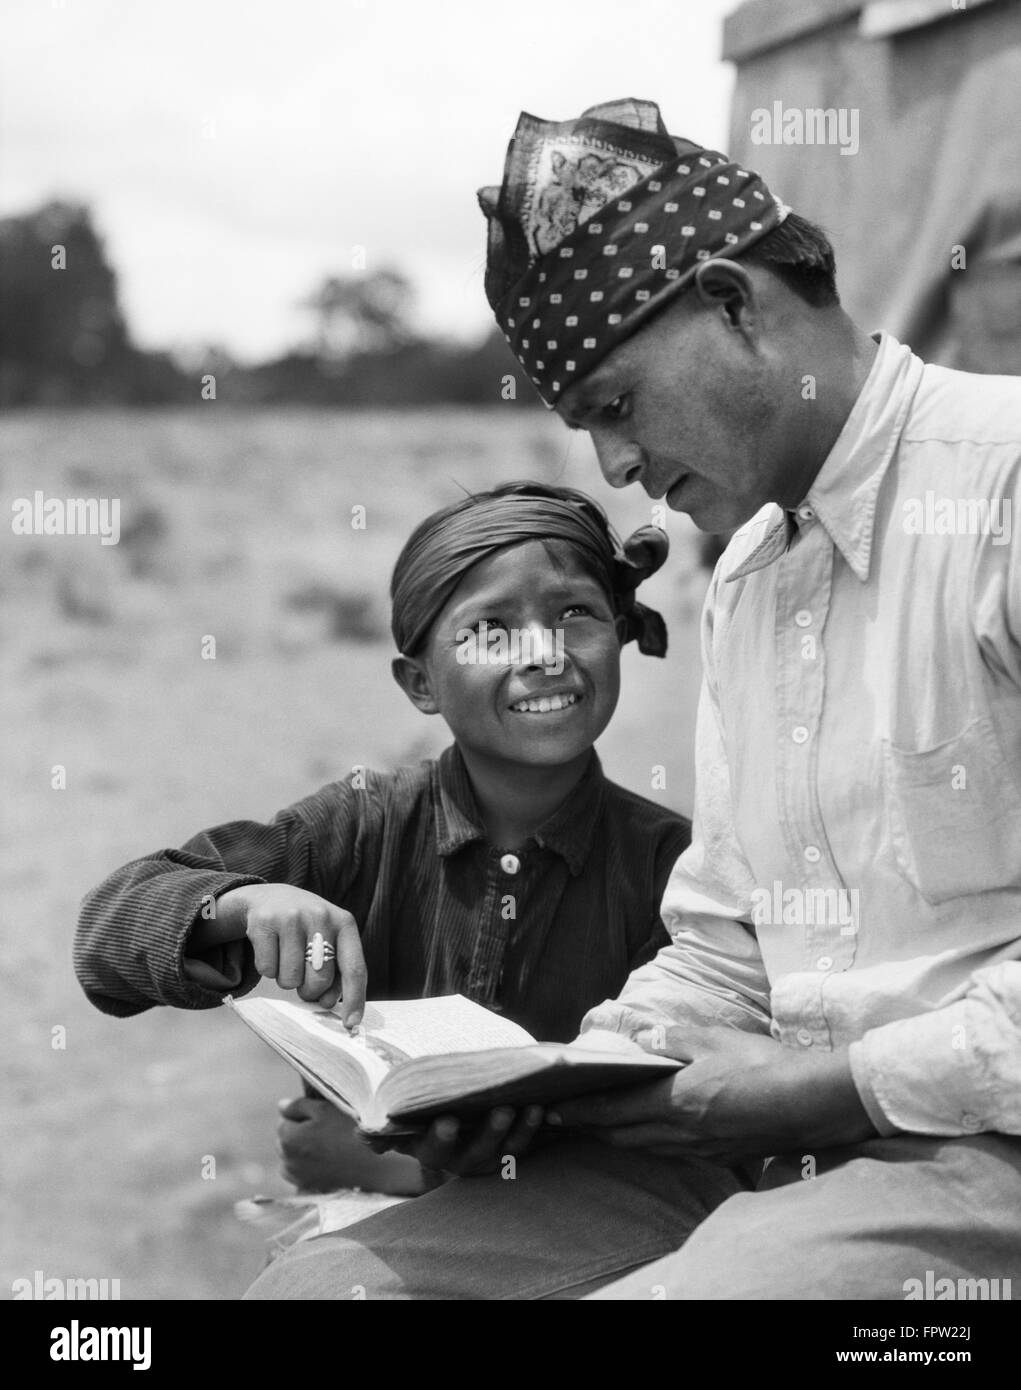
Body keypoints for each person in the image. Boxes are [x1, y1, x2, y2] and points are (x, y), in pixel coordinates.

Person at [243, 97, 1021, 1300]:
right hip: (754, 1145)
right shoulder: (753, 579)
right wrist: (557, 1081)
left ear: (731, 302)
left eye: (615, 406)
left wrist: (831, 1082)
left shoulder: (1002, 491)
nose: (612, 468)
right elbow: (726, 939)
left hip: (979, 1156)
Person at [75, 479, 695, 1202]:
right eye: (491, 630)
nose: (544, 654)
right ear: (419, 684)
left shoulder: (670, 865)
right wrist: (244, 905)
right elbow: (105, 935)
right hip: (362, 1231)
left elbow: (679, 1119)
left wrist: (401, 1170)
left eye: (575, 614)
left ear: (618, 634)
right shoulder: (362, 822)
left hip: (588, 1232)